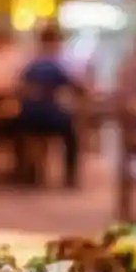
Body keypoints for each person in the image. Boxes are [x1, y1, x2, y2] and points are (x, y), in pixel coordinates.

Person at [16, 25, 82, 187]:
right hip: (50, 117)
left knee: (18, 129)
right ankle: (70, 176)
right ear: (56, 43)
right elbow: (77, 87)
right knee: (71, 133)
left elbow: (19, 88)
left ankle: (27, 173)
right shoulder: (57, 64)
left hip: (28, 117)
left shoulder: (30, 63)